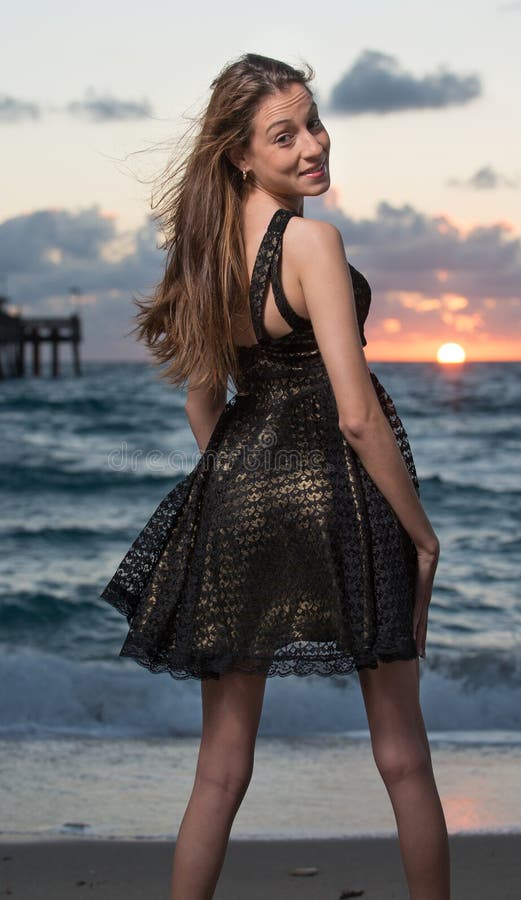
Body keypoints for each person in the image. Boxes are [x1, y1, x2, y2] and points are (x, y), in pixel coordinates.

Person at [100, 52, 450, 900]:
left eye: (312, 122)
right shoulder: (313, 242)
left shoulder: (206, 255)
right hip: (335, 493)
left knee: (219, 770)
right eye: (283, 134)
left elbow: (200, 407)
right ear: (241, 154)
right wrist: (422, 535)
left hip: (235, 495)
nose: (311, 147)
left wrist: (244, 488)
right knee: (401, 754)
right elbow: (356, 414)